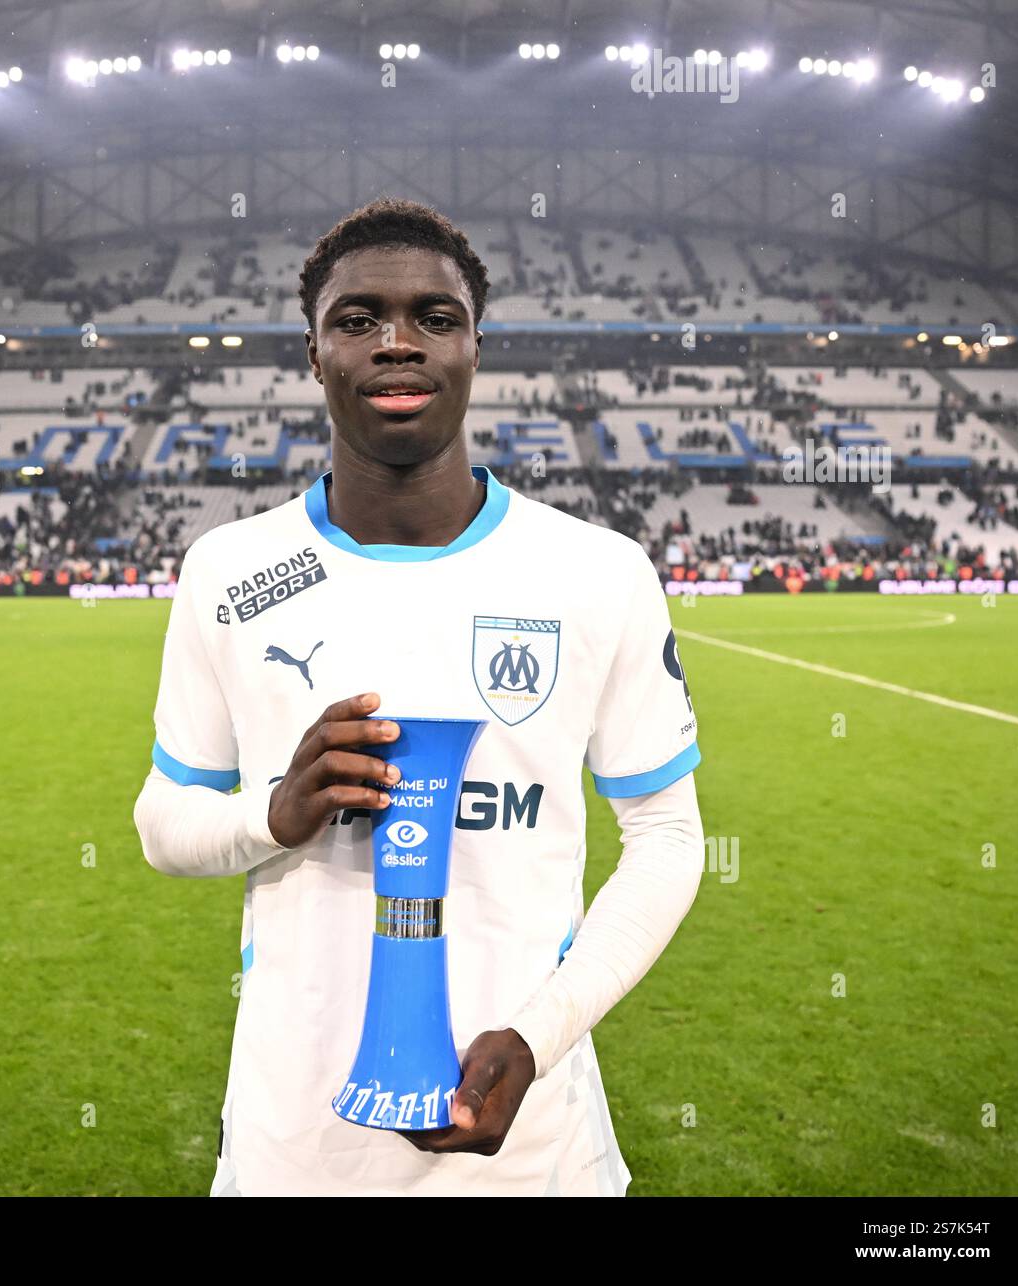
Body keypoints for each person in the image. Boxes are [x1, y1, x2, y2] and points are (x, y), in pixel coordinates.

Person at [133, 197, 706, 1196]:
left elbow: (666, 836)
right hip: (291, 1149)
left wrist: (538, 1034)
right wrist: (274, 812)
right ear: (313, 353)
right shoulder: (229, 569)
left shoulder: (596, 572)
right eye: (357, 319)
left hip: (538, 1153)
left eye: (434, 318)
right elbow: (162, 820)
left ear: (476, 345)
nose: (396, 343)